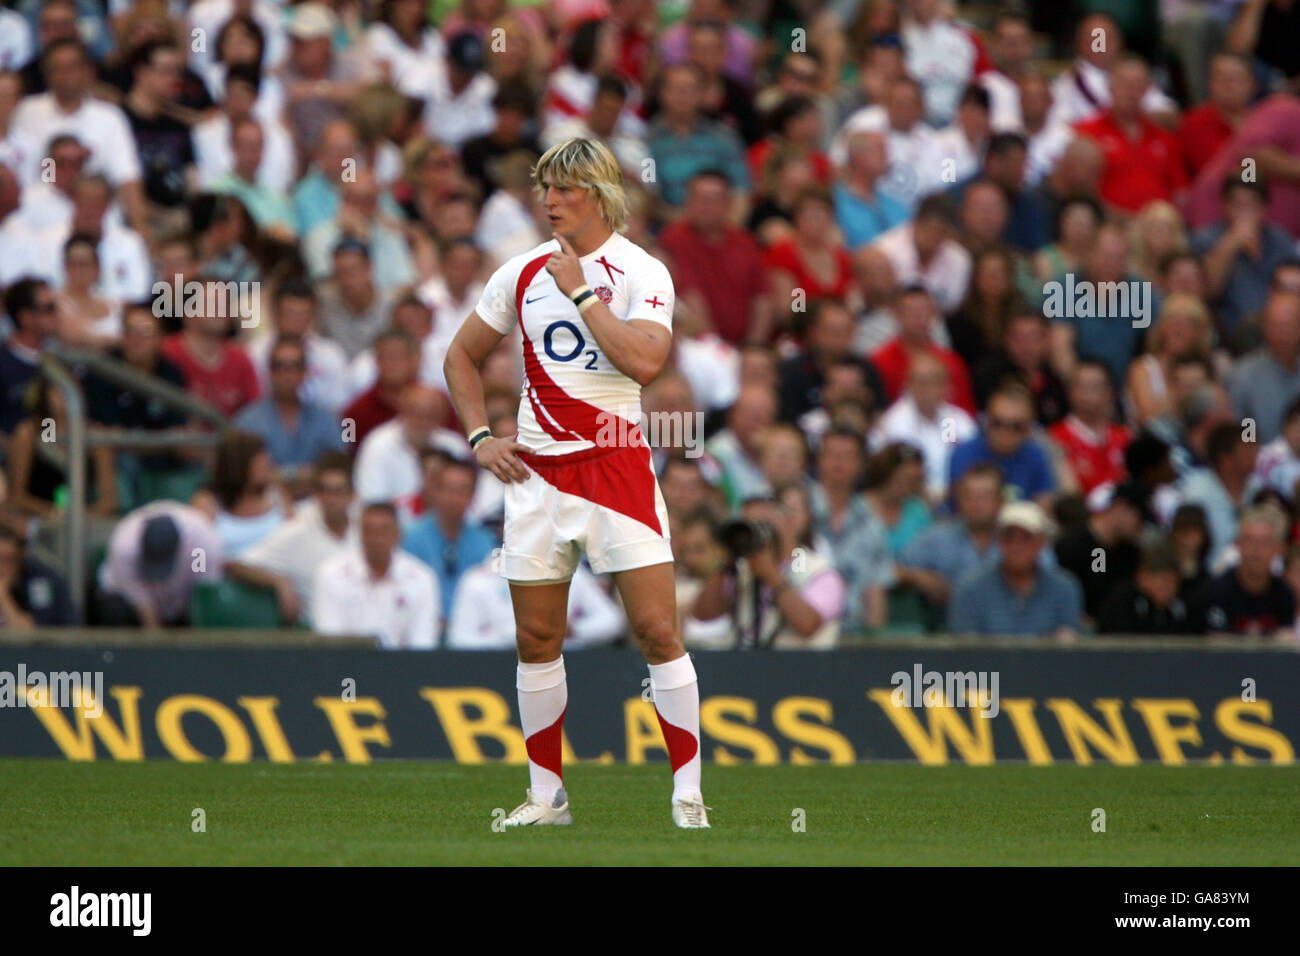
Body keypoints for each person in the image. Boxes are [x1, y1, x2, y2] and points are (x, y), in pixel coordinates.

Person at [442, 138, 708, 828]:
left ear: (597, 192)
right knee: (536, 638)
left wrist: (583, 293)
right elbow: (460, 357)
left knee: (656, 629)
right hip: (537, 472)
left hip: (615, 463)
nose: (549, 201)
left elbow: (646, 362)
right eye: (544, 189)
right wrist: (479, 436)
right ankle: (545, 798)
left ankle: (687, 797)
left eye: (563, 189)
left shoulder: (640, 271)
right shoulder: (520, 271)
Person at [692, 487, 847, 649]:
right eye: (748, 525)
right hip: (746, 665)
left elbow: (808, 625)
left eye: (763, 524)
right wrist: (725, 564)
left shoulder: (819, 572)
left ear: (787, 522)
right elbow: (704, 615)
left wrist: (771, 573)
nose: (754, 532)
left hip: (801, 668)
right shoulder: (743, 569)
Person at [226, 451, 358, 625]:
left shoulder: (366, 532)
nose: (330, 499)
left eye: (337, 491)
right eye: (323, 491)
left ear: (352, 495)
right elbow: (235, 565)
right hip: (320, 641)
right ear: (315, 494)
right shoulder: (296, 532)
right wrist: (278, 582)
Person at [947, 501, 1083, 639]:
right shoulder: (970, 588)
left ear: (1041, 544)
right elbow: (966, 649)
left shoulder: (1064, 588)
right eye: (1009, 537)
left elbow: (1068, 649)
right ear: (999, 542)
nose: (1016, 546)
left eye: (1026, 538)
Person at [312, 501, 440, 648]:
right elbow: (331, 640)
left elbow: (422, 642)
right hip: (347, 667)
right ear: (360, 534)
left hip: (403, 667)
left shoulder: (421, 577)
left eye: (384, 530)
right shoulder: (330, 574)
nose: (376, 538)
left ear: (398, 534)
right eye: (370, 530)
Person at [401, 452, 497, 624]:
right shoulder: (411, 537)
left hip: (471, 632)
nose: (454, 497)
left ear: (473, 495)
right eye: (448, 489)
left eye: (462, 490)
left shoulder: (485, 542)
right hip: (421, 628)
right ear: (435, 491)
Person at [97, 500, 224, 628]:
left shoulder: (201, 547)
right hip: (128, 600)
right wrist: (155, 637)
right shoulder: (124, 546)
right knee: (116, 610)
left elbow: (201, 590)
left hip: (180, 600)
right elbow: (140, 601)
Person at [234, 337, 343, 480]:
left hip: (318, 500)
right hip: (264, 499)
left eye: (295, 366)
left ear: (305, 372)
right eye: (280, 366)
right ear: (270, 372)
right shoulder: (247, 421)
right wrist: (303, 475)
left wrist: (277, 475)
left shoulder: (326, 418)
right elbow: (241, 474)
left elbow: (339, 467)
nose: (288, 374)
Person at [1192, 505, 1296, 639]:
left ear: (1278, 549)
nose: (1256, 550)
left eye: (1265, 543)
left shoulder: (1285, 595)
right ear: (1238, 545)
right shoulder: (1212, 593)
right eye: (1249, 541)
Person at [1053, 481, 1148, 624]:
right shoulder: (1072, 546)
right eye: (1139, 519)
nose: (1140, 528)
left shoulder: (1131, 553)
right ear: (1120, 507)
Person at [949, 382, 1056, 506]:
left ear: (1029, 428)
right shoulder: (965, 453)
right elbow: (966, 507)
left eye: (1017, 426)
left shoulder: (1036, 455)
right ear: (986, 420)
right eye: (997, 423)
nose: (1006, 432)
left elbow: (1043, 505)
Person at [1047, 360, 1131, 496]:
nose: (1087, 394)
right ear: (1070, 391)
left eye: (1094, 387)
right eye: (1081, 386)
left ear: (1109, 393)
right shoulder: (1054, 438)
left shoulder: (1125, 437)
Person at [1096, 538, 1200, 635]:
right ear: (1142, 578)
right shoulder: (1122, 603)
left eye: (1173, 583)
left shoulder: (1183, 605)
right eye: (1163, 581)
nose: (1169, 589)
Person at [0, 525, 78, 627]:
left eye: (8, 560)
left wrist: (3, 595)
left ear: (21, 556)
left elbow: (32, 635)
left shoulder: (40, 580)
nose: (2, 568)